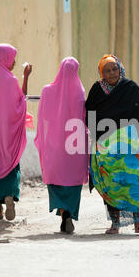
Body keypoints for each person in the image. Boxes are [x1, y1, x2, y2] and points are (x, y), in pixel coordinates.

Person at [86, 54, 139, 234]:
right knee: (111, 183)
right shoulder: (96, 91)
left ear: (120, 69)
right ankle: (115, 224)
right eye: (107, 70)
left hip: (129, 144)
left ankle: (138, 222)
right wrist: (94, 140)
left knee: (133, 180)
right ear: (102, 73)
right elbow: (89, 115)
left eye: (115, 69)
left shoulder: (130, 87)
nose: (112, 73)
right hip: (105, 146)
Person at [0, 43, 33, 220]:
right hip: (8, 129)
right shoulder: (10, 80)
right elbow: (21, 100)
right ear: (3, 57)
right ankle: (9, 195)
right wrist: (25, 77)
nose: (14, 62)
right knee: (10, 160)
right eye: (12, 58)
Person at [34, 57, 88, 234]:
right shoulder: (80, 91)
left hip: (55, 144)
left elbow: (45, 118)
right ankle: (69, 213)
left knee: (57, 177)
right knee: (72, 180)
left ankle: (63, 211)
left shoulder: (48, 91)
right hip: (75, 145)